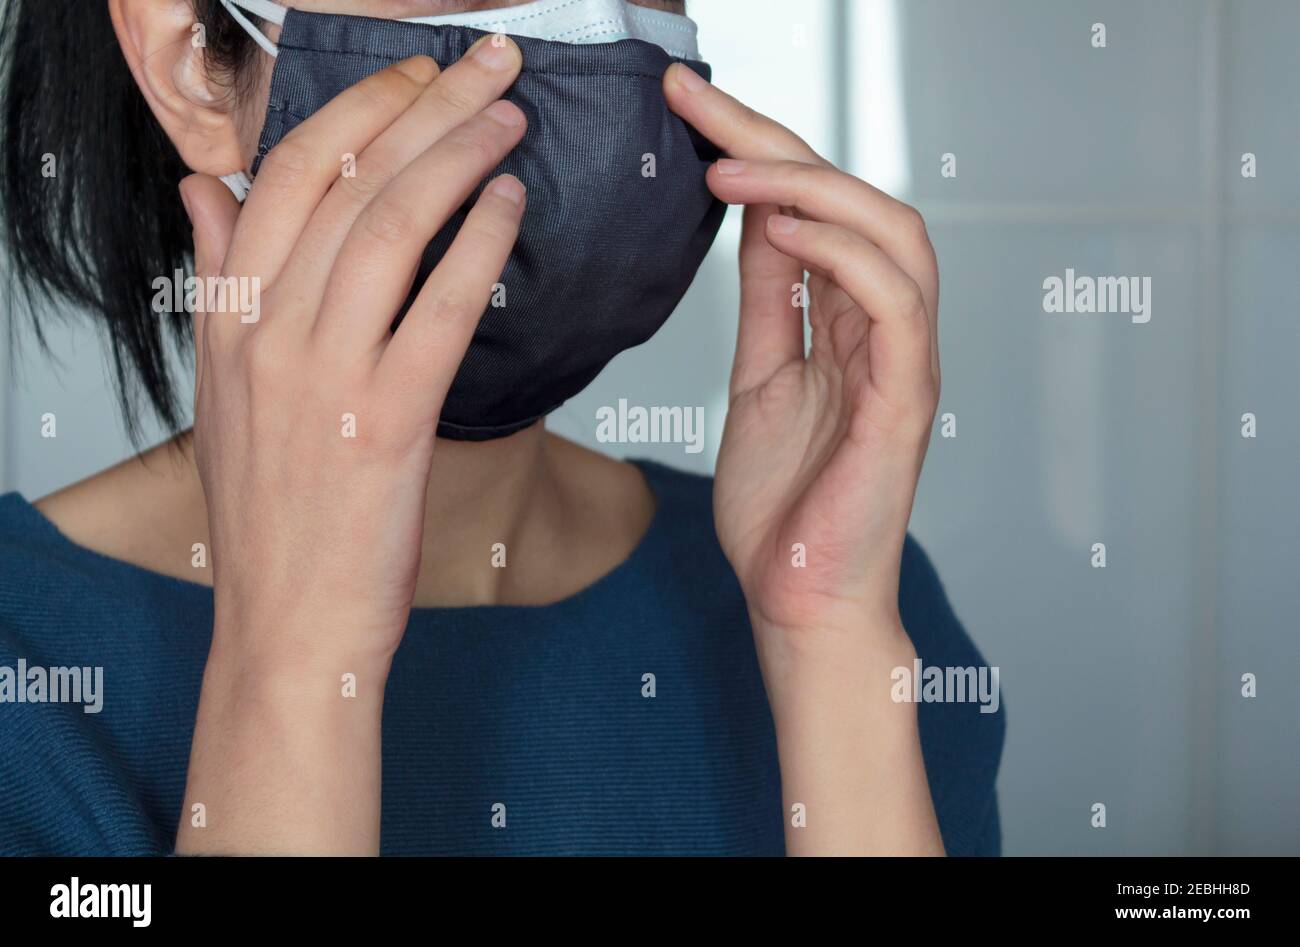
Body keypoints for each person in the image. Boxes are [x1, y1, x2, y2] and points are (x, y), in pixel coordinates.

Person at [0, 0, 1004, 856]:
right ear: (192, 63)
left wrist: (825, 645)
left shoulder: (853, 593)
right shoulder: (26, 663)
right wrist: (289, 667)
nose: (596, 31)